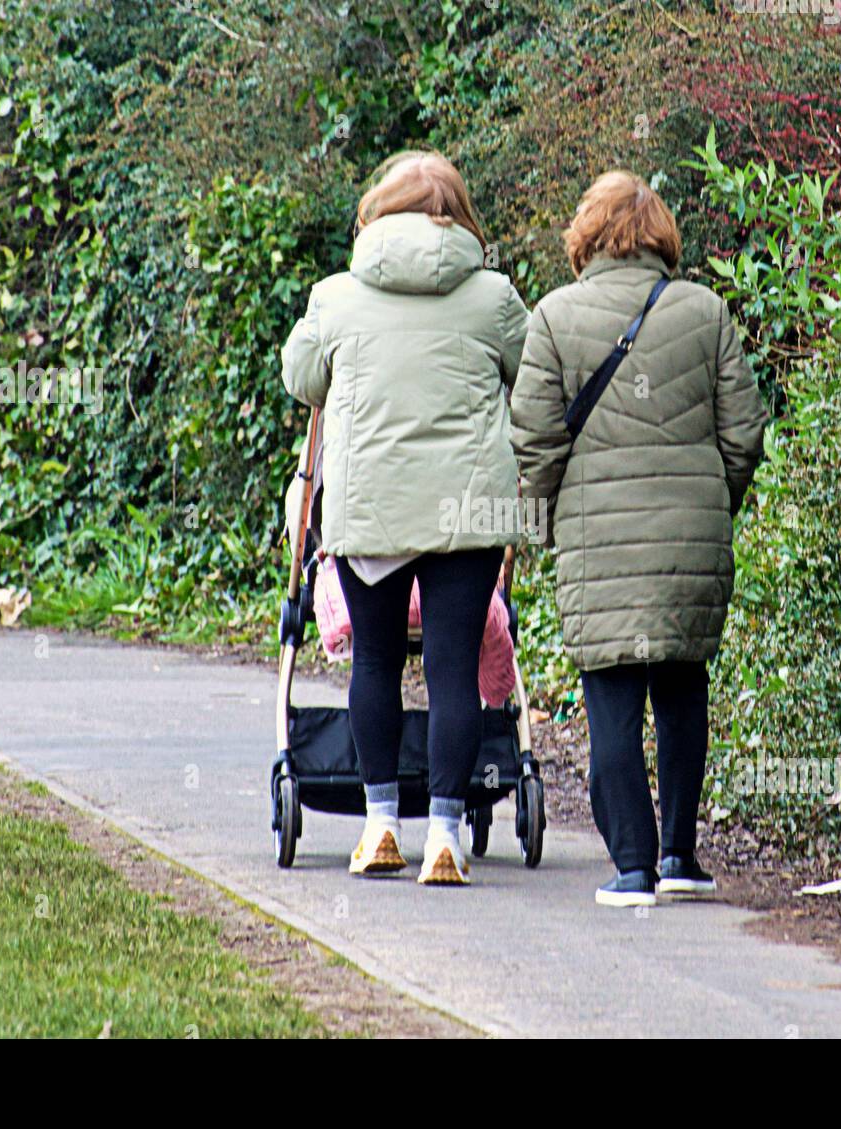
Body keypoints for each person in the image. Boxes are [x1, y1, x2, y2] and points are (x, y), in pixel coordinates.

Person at [510, 171, 768, 907]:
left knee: (612, 697)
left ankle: (633, 867)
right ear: (660, 235)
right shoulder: (705, 310)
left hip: (599, 540)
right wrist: (716, 505)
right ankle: (682, 855)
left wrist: (541, 521)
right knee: (684, 690)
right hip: (693, 534)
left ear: (586, 235)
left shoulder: (555, 318)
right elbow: (744, 431)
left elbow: (532, 440)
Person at [281, 152, 528, 886]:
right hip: (467, 513)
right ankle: (446, 834)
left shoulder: (337, 296)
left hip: (371, 508)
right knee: (452, 668)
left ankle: (381, 823)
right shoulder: (493, 297)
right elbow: (530, 372)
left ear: (376, 214)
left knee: (378, 662)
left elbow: (301, 379)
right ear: (458, 216)